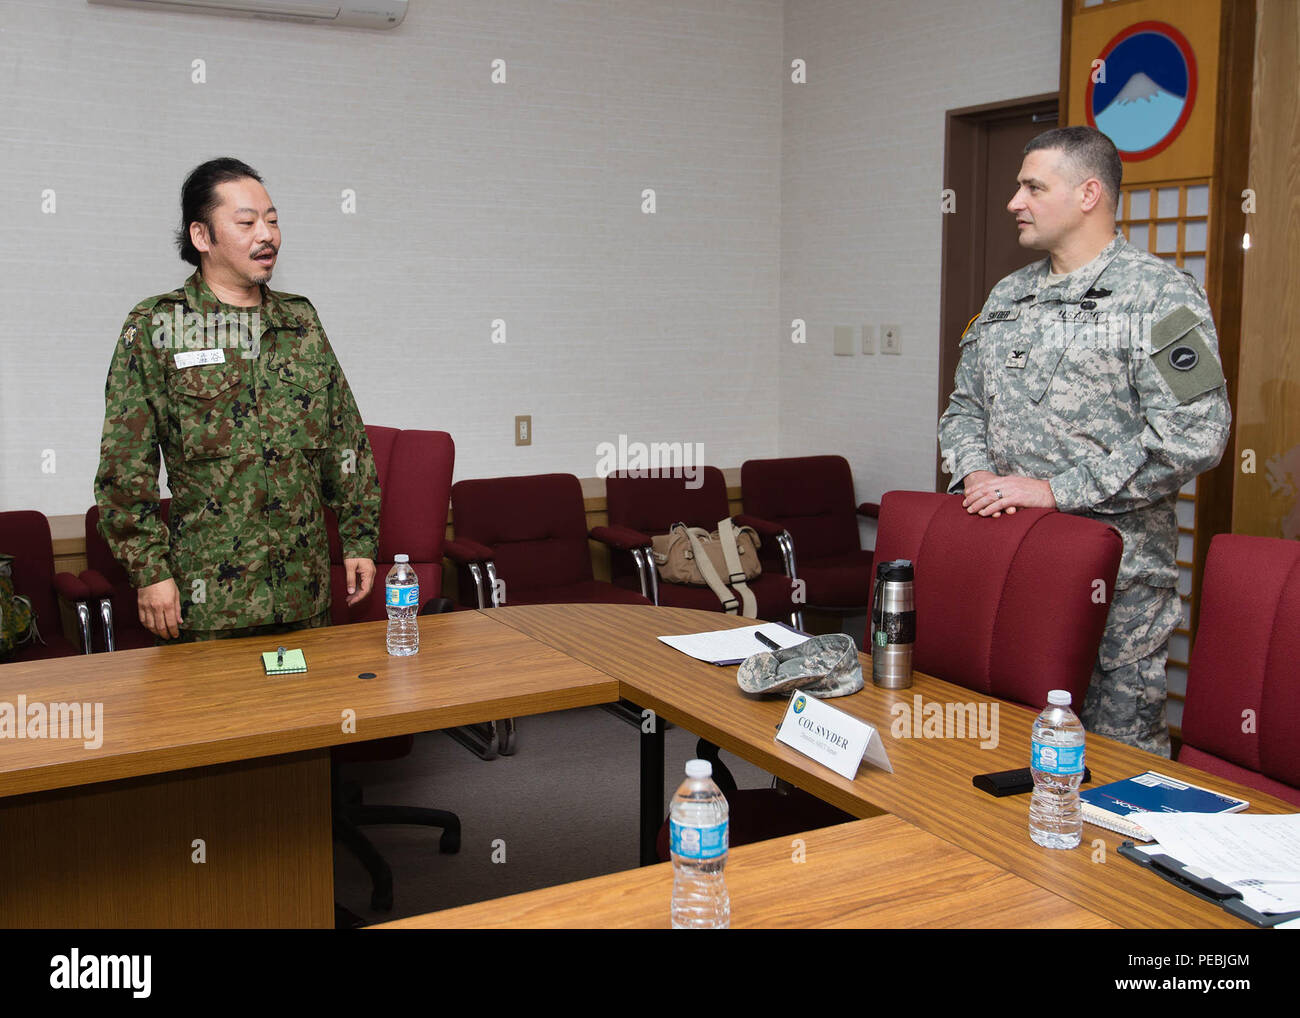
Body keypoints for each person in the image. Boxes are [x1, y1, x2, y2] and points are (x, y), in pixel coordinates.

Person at [938, 126, 1230, 756]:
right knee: (1007, 742)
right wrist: (973, 472)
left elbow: (1197, 434)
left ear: (1089, 193)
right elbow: (963, 409)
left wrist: (1055, 489)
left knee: (1115, 754)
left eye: (1033, 186)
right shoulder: (1007, 296)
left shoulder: (1161, 296)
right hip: (1011, 560)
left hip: (1116, 580)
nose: (1014, 201)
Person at [95, 158, 381, 642]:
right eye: (247, 223)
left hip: (303, 592)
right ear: (202, 237)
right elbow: (126, 467)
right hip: (209, 603)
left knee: (310, 714)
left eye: (272, 220)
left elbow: (344, 441)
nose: (266, 234)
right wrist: (149, 571)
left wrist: (360, 537)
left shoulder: (301, 322)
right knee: (220, 719)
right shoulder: (156, 326)